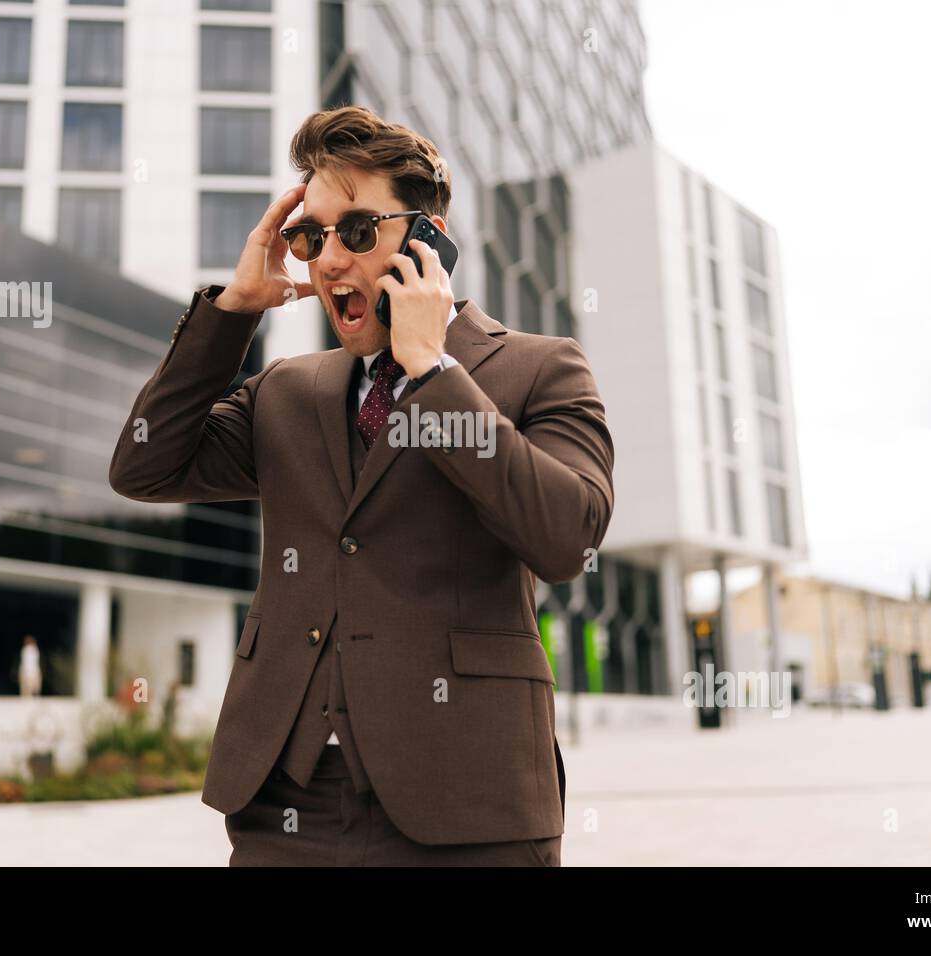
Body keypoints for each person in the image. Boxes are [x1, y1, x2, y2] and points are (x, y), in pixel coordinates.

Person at [109, 105, 614, 866]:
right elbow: (146, 466)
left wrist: (434, 373)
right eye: (312, 236)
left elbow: (566, 536)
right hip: (285, 805)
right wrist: (234, 310)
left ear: (427, 236)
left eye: (356, 230)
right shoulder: (286, 390)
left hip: (469, 807)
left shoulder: (540, 368)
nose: (330, 260)